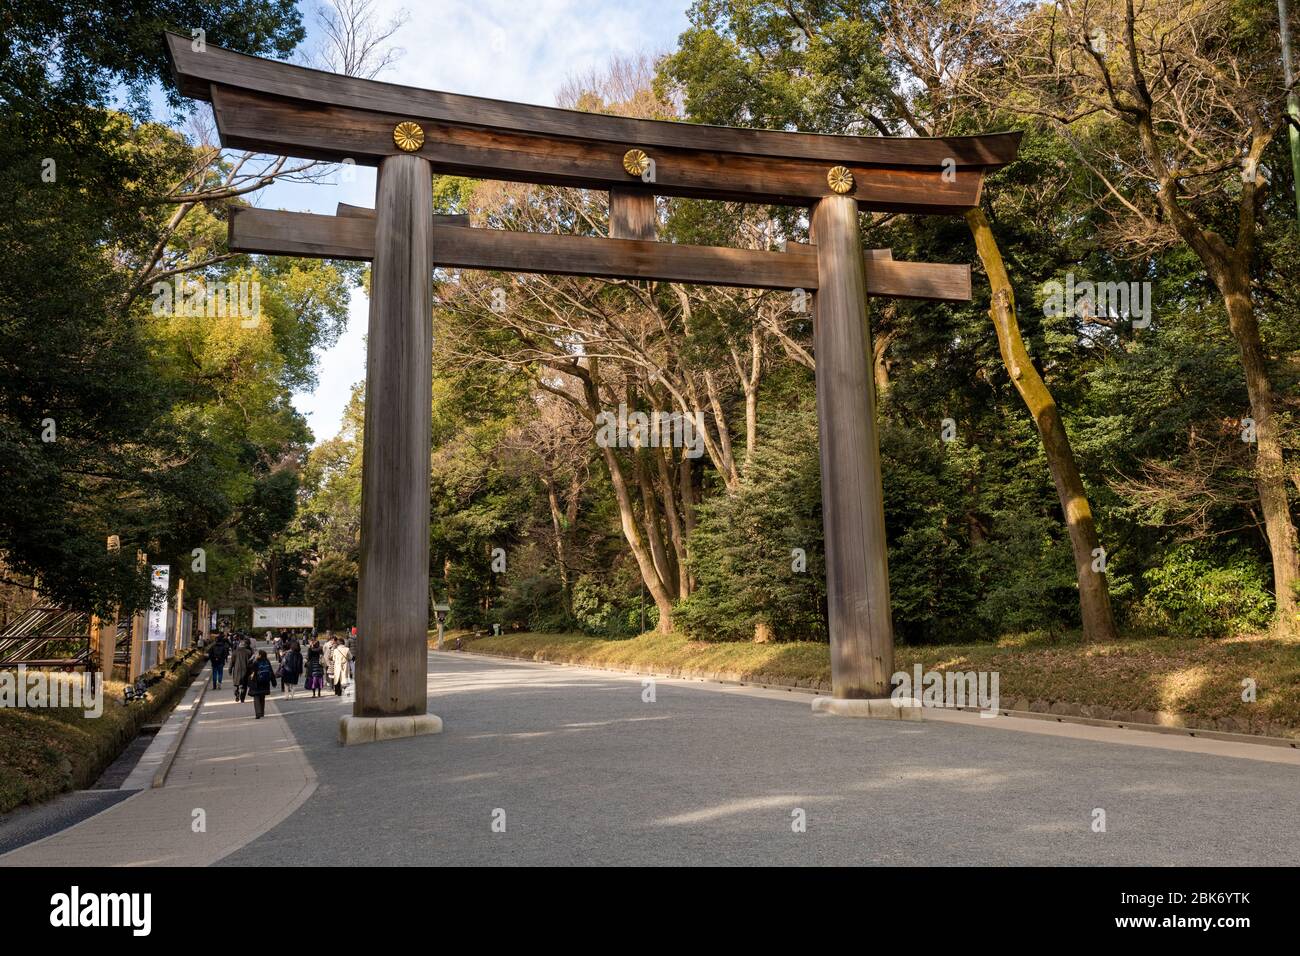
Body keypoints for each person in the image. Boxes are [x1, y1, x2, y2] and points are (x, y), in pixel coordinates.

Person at [248, 650, 278, 719]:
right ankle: (262, 712)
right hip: (265, 682)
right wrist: (274, 682)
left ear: (260, 655)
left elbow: (249, 667)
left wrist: (251, 659)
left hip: (256, 682)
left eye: (257, 654)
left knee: (256, 697)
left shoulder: (255, 662)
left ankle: (258, 713)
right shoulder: (267, 661)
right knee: (262, 697)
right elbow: (271, 671)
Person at [229, 637, 253, 703]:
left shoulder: (235, 652)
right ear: (245, 645)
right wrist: (252, 671)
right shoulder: (248, 652)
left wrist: (230, 670)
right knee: (244, 685)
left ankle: (236, 693)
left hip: (237, 670)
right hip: (246, 670)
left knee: (236, 684)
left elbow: (232, 662)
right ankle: (242, 698)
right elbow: (251, 662)